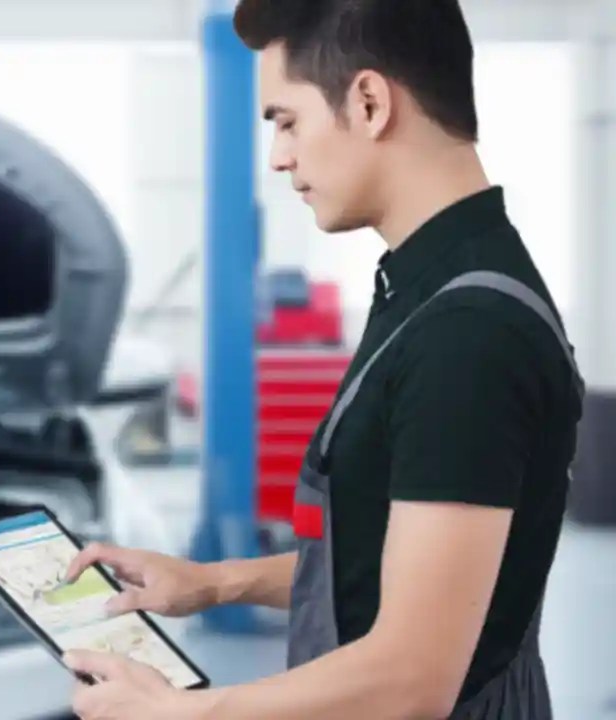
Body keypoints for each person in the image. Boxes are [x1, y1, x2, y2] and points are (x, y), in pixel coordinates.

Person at [60, 0, 584, 718]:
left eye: (286, 120)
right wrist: (215, 583)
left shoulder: (468, 331)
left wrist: (183, 713)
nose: (278, 155)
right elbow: (383, 557)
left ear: (368, 102)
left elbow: (409, 679)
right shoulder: (430, 287)